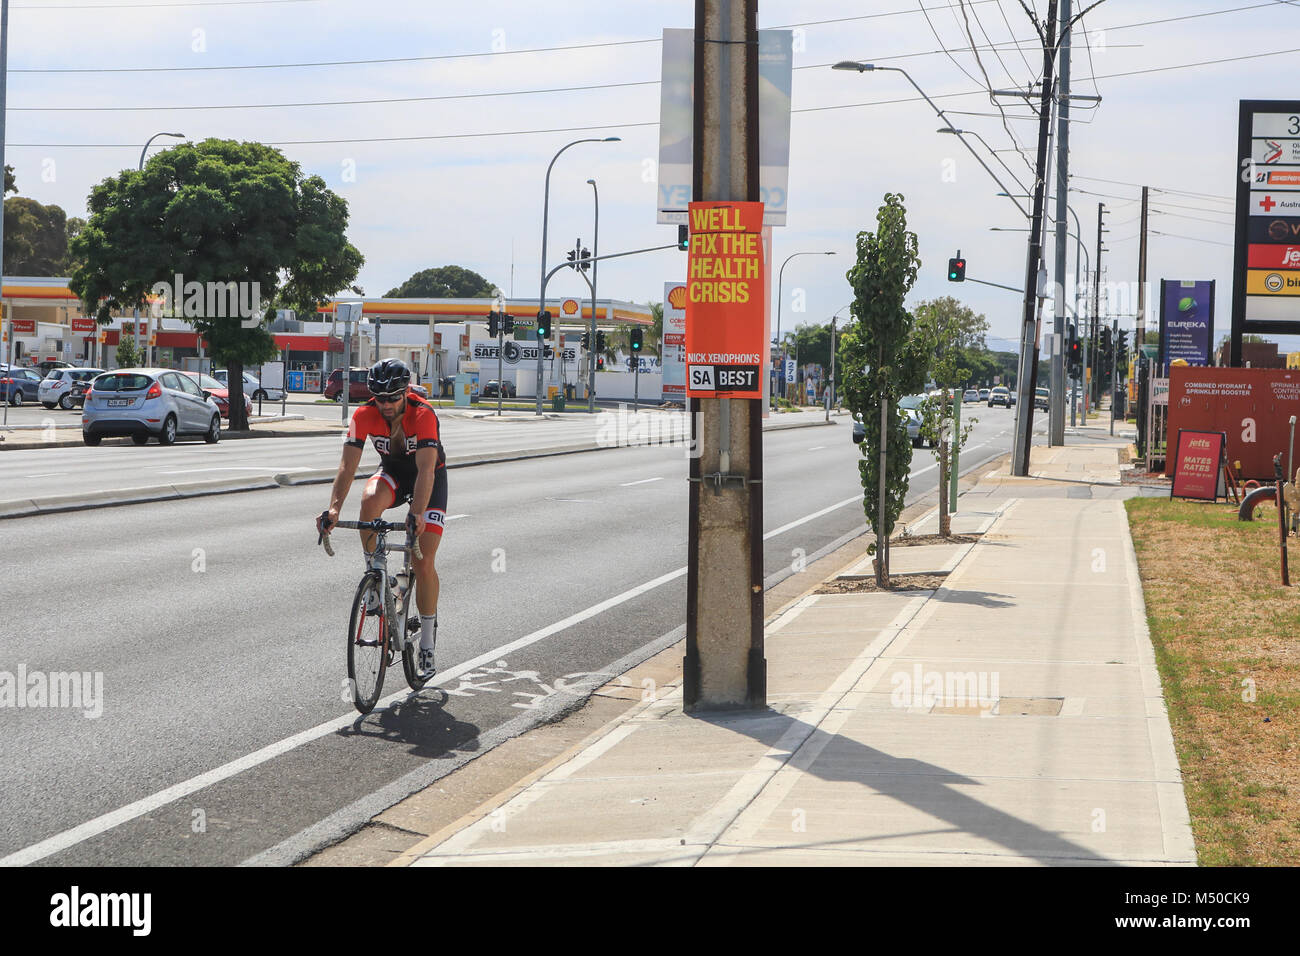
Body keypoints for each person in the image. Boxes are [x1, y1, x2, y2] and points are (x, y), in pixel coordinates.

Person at [317, 359, 447, 679]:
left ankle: (427, 644)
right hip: (393, 474)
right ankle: (376, 576)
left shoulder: (424, 414)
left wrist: (416, 514)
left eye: (393, 398)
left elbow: (427, 470)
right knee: (369, 501)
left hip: (428, 481)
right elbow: (347, 468)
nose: (386, 405)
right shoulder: (363, 415)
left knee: (422, 562)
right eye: (380, 398)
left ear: (405, 393)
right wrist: (333, 509)